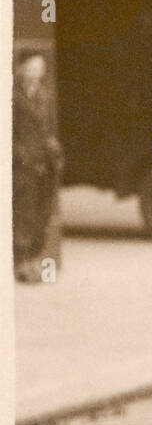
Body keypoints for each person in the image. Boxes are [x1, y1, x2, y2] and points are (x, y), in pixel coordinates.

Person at [12, 52, 61, 282]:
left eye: (39, 68)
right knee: (24, 213)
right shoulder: (12, 96)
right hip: (22, 165)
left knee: (41, 213)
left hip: (45, 164)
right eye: (31, 68)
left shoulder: (45, 96)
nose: (35, 73)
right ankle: (22, 262)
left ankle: (33, 258)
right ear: (21, 69)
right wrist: (19, 152)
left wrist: (54, 150)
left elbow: (48, 131)